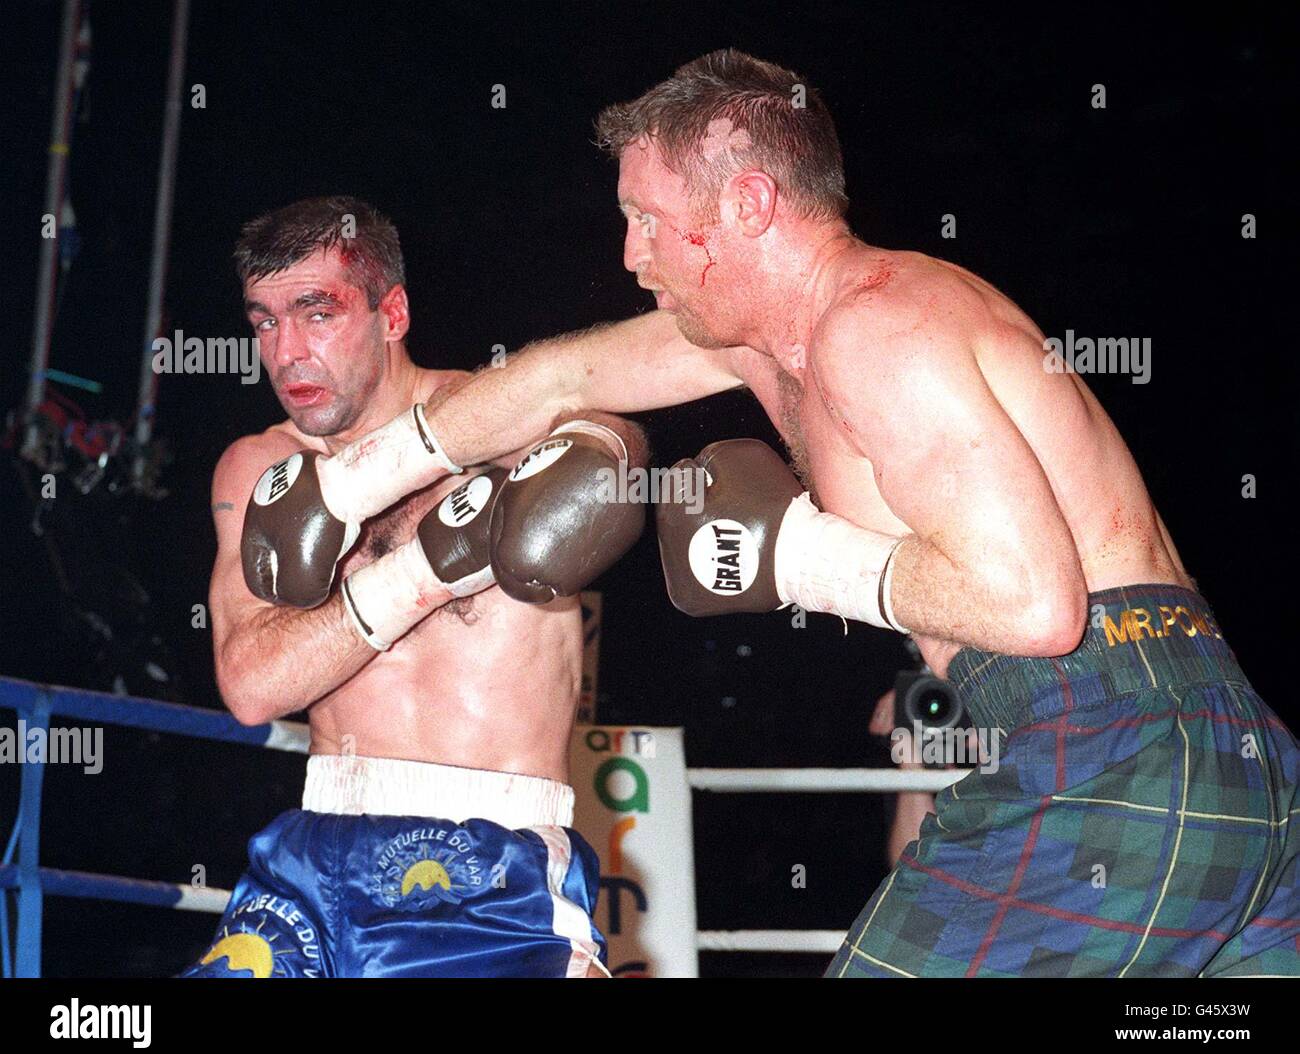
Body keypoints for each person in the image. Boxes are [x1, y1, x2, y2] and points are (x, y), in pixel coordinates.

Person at [243, 52, 1298, 977]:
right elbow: (556, 380)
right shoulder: (766, 340)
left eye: (647, 219)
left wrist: (795, 556)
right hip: (1224, 754)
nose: (629, 253)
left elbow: (1034, 609)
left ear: (746, 205)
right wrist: (353, 483)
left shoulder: (877, 327)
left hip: (1108, 745)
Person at [184, 196, 644, 978]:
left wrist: (609, 443)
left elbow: (630, 413)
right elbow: (252, 687)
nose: (287, 351)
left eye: (317, 312)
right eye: (264, 321)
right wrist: (424, 574)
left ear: (391, 313)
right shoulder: (262, 469)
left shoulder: (508, 426)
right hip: (314, 853)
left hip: (488, 870)